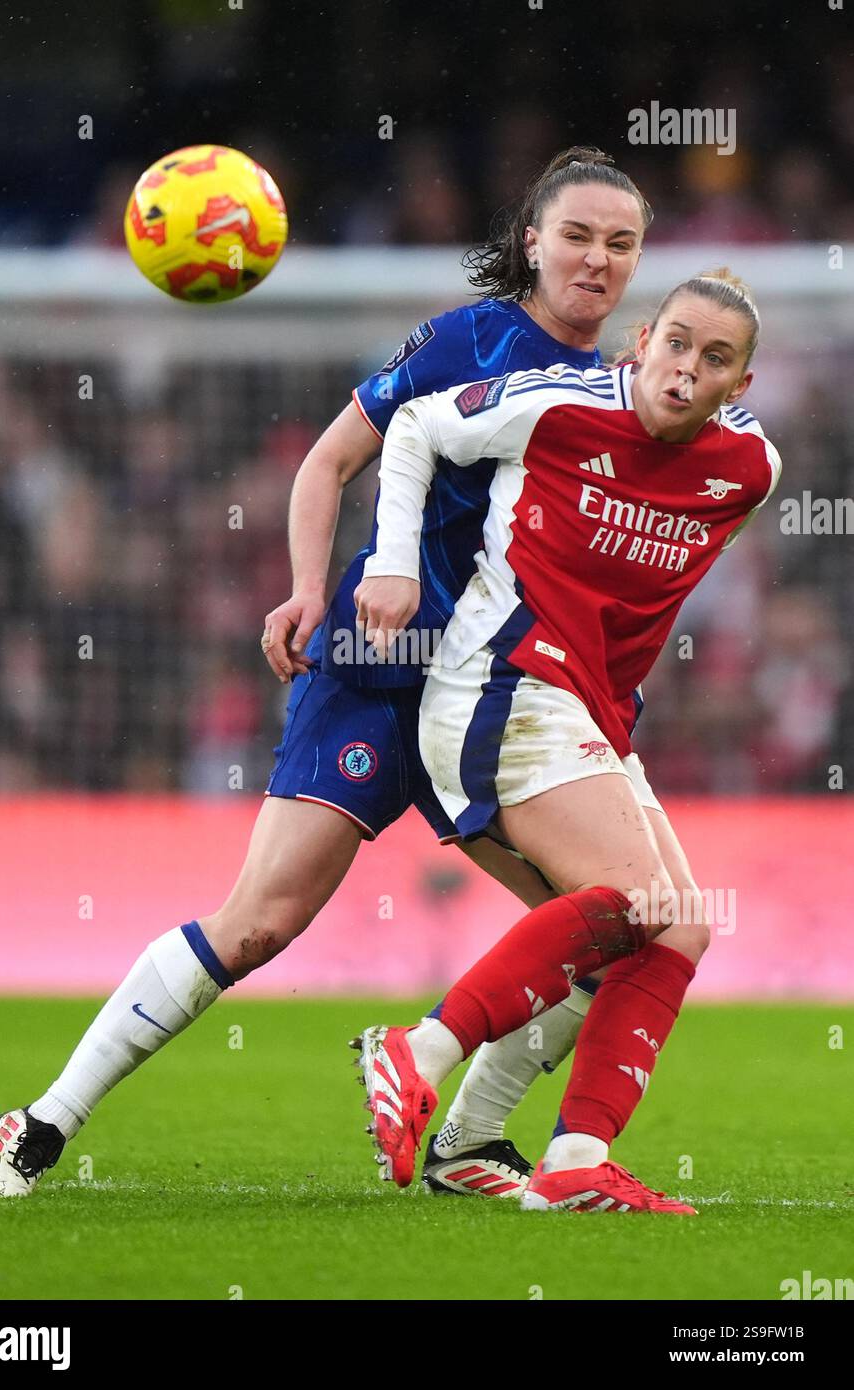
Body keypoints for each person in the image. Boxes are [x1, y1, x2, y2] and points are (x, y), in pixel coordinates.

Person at [0, 147, 653, 1200]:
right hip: (380, 668)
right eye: (576, 235)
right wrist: (302, 590)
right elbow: (330, 459)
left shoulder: (613, 389)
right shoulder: (470, 339)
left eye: (619, 243)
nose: (596, 259)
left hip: (490, 693)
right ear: (529, 240)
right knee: (259, 921)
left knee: (607, 926)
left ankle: (468, 1141)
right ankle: (44, 1120)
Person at [352, 269, 780, 1213]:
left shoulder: (749, 470)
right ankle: (413, 1051)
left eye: (713, 360)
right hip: (498, 681)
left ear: (736, 388)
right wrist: (390, 565)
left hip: (588, 712)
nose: (684, 369)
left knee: (678, 924)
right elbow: (418, 425)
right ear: (640, 342)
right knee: (629, 898)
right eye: (673, 343)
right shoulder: (554, 406)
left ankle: (552, 1155)